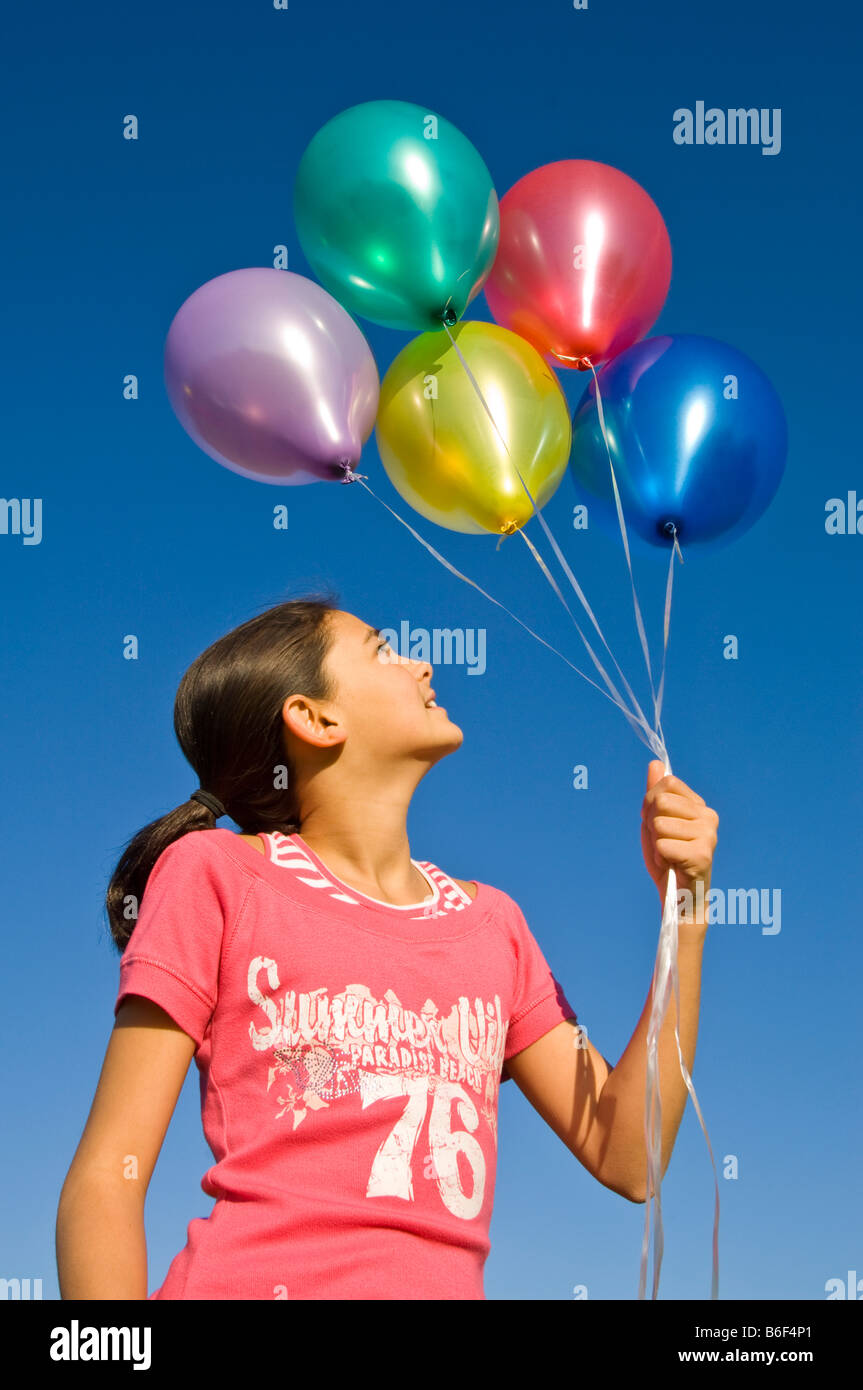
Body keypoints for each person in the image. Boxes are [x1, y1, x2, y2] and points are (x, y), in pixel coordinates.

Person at [55, 593, 718, 1300]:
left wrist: (685, 910)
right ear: (315, 718)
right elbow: (108, 1174)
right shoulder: (216, 873)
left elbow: (628, 1155)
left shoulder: (493, 924)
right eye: (383, 650)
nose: (423, 665)